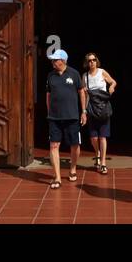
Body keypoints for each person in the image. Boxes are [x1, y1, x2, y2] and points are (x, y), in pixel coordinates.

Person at [45, 49, 86, 188]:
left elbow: (81, 92)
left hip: (72, 116)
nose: (53, 62)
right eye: (52, 60)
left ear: (63, 61)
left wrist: (84, 111)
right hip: (54, 118)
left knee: (75, 145)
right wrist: (49, 111)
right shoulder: (50, 75)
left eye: (55, 60)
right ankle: (57, 177)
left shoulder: (74, 74)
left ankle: (73, 168)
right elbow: (48, 94)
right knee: (54, 145)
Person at [82, 52, 117, 174]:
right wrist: (84, 111)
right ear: (87, 63)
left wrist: (111, 87)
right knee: (93, 138)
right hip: (91, 108)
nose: (92, 62)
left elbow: (113, 82)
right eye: (89, 60)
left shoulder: (102, 72)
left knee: (103, 137)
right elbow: (84, 96)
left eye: (94, 60)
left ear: (97, 61)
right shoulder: (85, 76)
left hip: (103, 107)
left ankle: (102, 162)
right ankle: (97, 152)